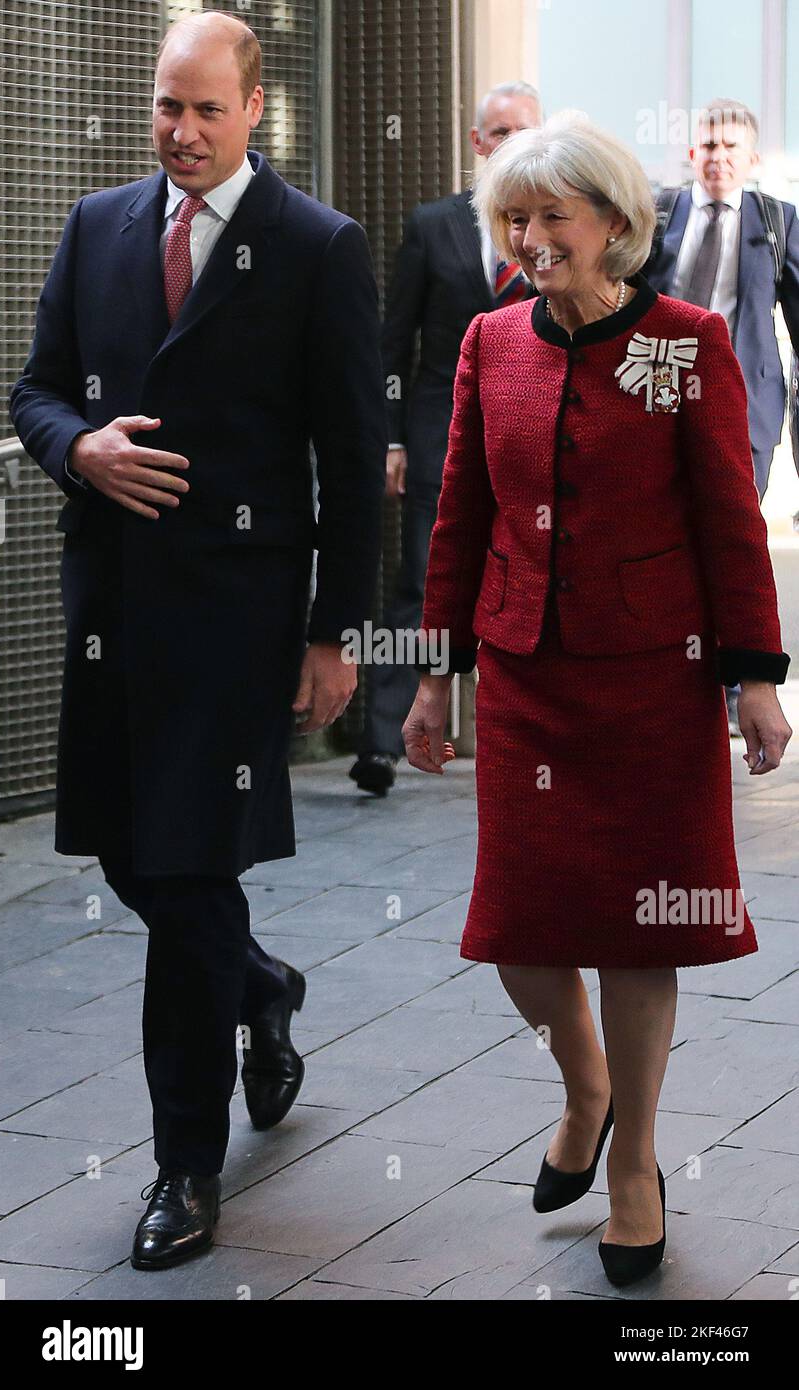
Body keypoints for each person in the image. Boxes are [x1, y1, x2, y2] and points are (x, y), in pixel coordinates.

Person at [9, 11, 386, 1271]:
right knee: (136, 858)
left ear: (255, 109)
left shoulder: (318, 247)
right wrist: (80, 448)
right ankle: (262, 986)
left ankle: (185, 1164)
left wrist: (337, 634)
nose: (179, 131)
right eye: (167, 106)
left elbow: (351, 462)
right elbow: (35, 388)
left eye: (205, 110)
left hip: (237, 623)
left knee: (185, 880)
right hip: (112, 616)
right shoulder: (97, 226)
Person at [403, 112, 792, 1288]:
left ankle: (635, 1164)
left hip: (652, 680)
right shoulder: (489, 341)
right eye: (513, 219)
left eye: (551, 217)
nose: (530, 238)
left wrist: (755, 677)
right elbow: (459, 514)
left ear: (613, 222)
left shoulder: (684, 342)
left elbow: (728, 518)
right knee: (519, 931)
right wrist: (435, 674)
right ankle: (586, 1089)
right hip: (525, 675)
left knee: (639, 927)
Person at [349, 81, 541, 796]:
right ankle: (382, 742)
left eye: (522, 131)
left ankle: (525, 740)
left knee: (530, 580)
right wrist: (393, 440)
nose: (509, 143)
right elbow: (393, 343)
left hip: (531, 432)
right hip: (441, 431)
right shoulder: (432, 225)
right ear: (476, 143)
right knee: (422, 583)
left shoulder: (555, 226)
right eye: (498, 132)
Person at [643, 97, 799, 737]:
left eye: (732, 147)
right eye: (709, 145)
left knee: (733, 536)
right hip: (660, 394)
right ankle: (671, 670)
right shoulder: (661, 213)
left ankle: (737, 683)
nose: (719, 157)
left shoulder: (776, 220)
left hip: (743, 403)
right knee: (660, 531)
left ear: (751, 158)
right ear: (692, 152)